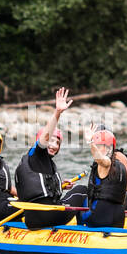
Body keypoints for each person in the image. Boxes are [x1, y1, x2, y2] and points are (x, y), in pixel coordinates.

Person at [14, 88, 82, 229]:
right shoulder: (36, 154)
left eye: (57, 143)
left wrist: (60, 185)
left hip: (33, 219)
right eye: (51, 141)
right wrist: (57, 113)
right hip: (46, 216)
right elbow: (44, 139)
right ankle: (88, 227)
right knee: (82, 190)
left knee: (72, 192)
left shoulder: (44, 163)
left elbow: (44, 190)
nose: (54, 145)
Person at [80, 129, 127, 228]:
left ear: (109, 149)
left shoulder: (105, 163)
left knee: (80, 192)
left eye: (99, 146)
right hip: (118, 220)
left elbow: (100, 159)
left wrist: (90, 142)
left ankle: (78, 230)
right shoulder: (120, 167)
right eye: (97, 146)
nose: (97, 149)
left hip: (100, 217)